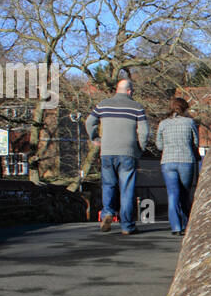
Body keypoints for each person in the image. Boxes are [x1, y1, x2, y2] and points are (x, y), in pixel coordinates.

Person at [85, 71, 149, 236]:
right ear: (129, 91)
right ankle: (127, 226)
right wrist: (140, 148)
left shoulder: (103, 105)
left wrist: (95, 138)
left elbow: (89, 121)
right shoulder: (137, 107)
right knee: (127, 188)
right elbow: (144, 131)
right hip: (127, 152)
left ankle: (107, 213)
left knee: (108, 184)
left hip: (107, 151)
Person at [155, 96, 201, 236]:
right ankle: (186, 223)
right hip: (186, 160)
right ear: (185, 108)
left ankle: (175, 226)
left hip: (168, 161)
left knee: (172, 194)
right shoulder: (190, 122)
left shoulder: (163, 124)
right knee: (184, 193)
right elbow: (196, 143)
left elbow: (159, 145)